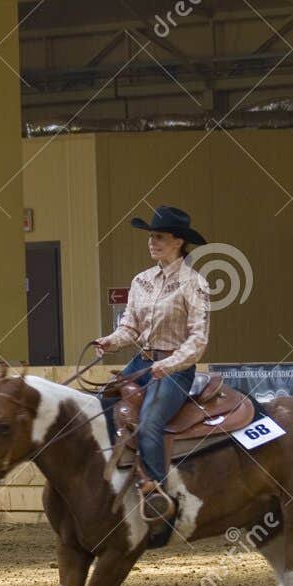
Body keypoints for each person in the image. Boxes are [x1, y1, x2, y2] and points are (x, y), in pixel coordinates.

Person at [92, 205, 210, 521]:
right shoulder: (141, 281)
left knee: (151, 422)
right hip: (142, 362)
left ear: (178, 242)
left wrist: (171, 364)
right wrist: (110, 340)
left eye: (159, 237)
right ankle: (117, 471)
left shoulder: (194, 284)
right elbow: (130, 327)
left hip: (176, 370)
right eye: (150, 237)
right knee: (103, 399)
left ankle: (156, 493)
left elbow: (198, 339)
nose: (151, 242)